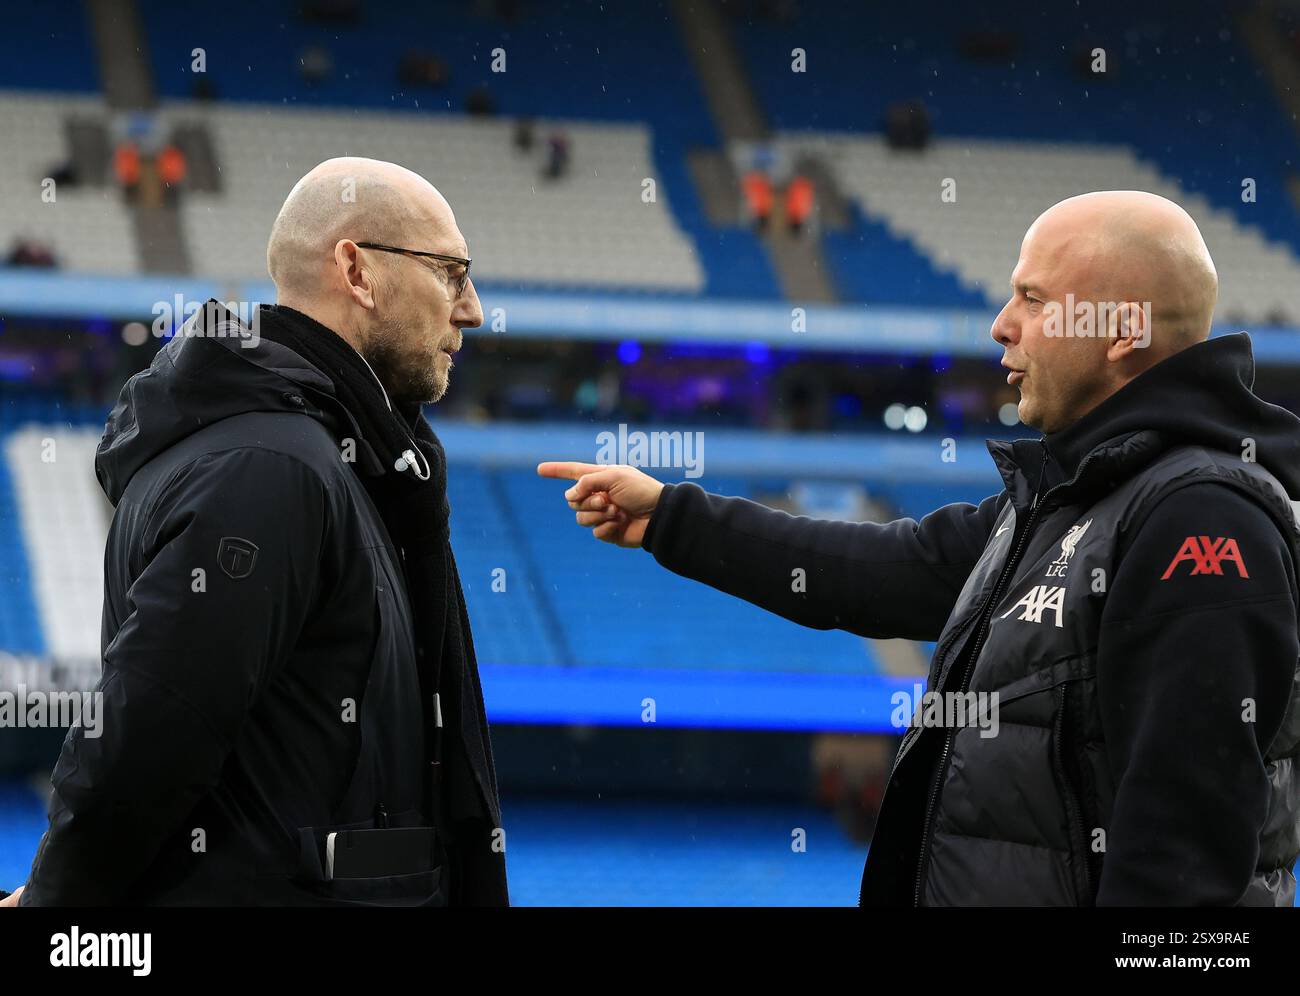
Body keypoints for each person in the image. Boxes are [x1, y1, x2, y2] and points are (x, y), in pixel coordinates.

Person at [538, 190, 1300, 906]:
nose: (1001, 325)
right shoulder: (1073, 500)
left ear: (1125, 330)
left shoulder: (1198, 517)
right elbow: (882, 570)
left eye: (1033, 301)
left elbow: (1183, 859)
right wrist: (674, 518)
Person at [4, 157, 506, 907]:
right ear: (357, 270)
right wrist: (56, 908)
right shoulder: (272, 469)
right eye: (451, 272)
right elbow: (151, 730)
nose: (470, 309)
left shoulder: (329, 460)